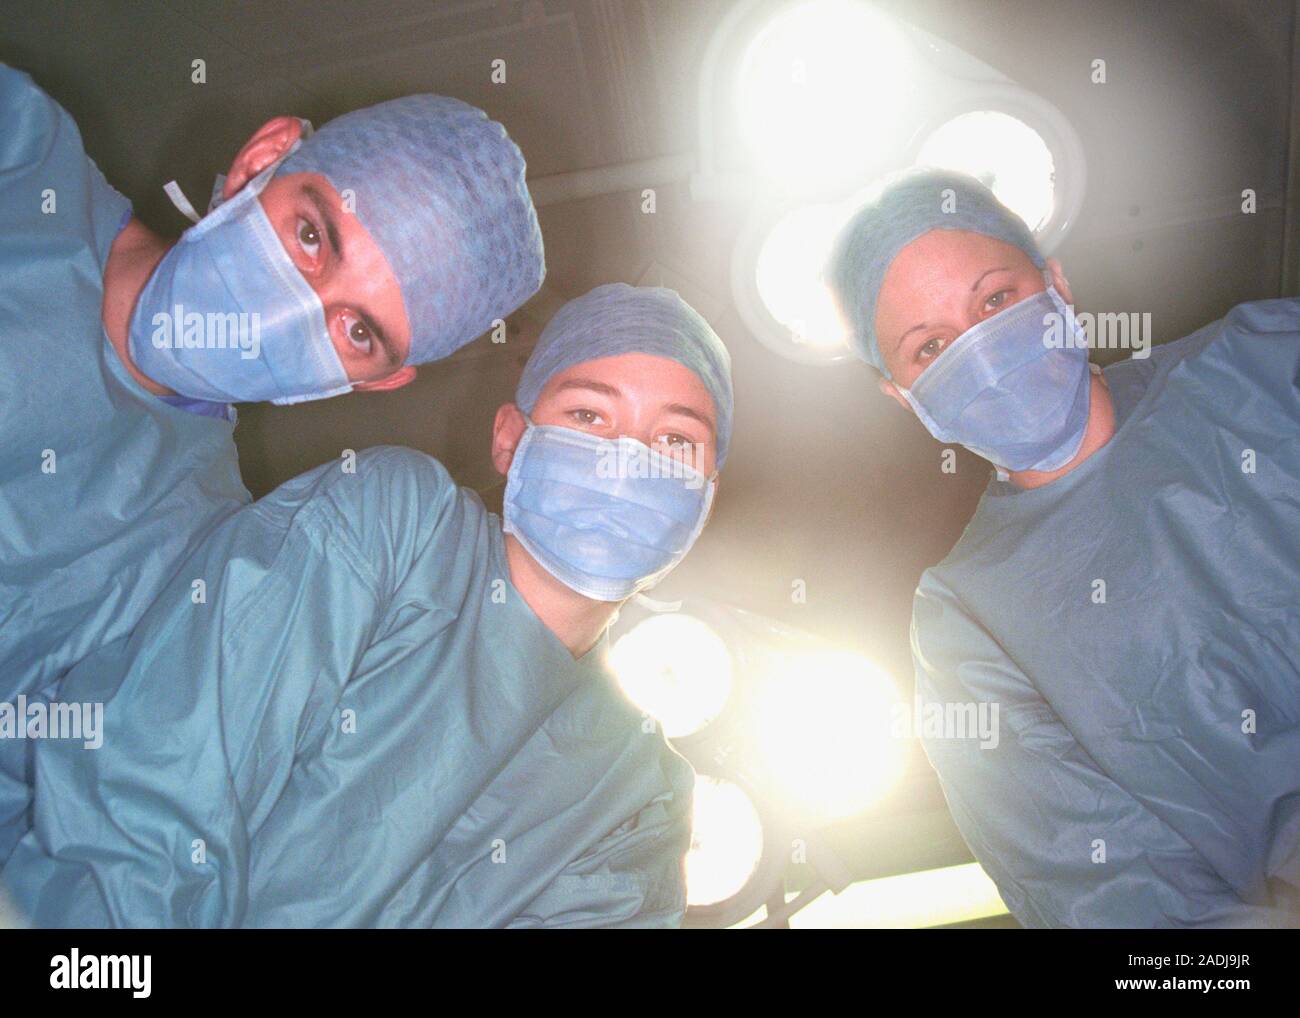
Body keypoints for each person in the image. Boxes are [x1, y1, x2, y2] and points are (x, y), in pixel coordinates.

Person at [2, 283, 731, 928]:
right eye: (590, 415)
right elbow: (161, 778)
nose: (624, 460)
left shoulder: (639, 804)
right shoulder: (401, 527)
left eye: (674, 440)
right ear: (511, 440)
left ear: (704, 497)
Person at [0, 64, 543, 862]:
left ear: (373, 382)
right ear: (263, 160)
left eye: (357, 331)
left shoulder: (190, 572)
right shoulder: (20, 156)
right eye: (312, 236)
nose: (288, 309)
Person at [828, 167, 1300, 927]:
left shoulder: (1262, 363)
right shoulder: (970, 623)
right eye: (932, 346)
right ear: (902, 395)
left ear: (1056, 284)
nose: (982, 351)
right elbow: (1128, 916)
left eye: (995, 301)